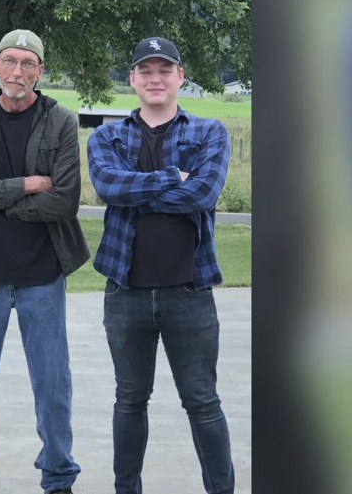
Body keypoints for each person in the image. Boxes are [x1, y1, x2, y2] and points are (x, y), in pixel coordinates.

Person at [0, 29, 89, 494]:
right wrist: (24, 185)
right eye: (10, 61)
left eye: (28, 63)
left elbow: (65, 201)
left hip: (43, 273)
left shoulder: (61, 120)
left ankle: (59, 477)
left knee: (52, 385)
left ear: (41, 71)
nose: (18, 72)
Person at [87, 37, 235, 494]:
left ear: (179, 77)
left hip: (189, 291)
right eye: (145, 70)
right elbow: (108, 187)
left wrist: (140, 191)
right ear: (132, 79)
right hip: (125, 292)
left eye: (164, 70)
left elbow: (203, 194)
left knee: (203, 403)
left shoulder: (209, 133)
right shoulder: (106, 136)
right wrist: (172, 177)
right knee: (129, 401)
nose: (155, 78)